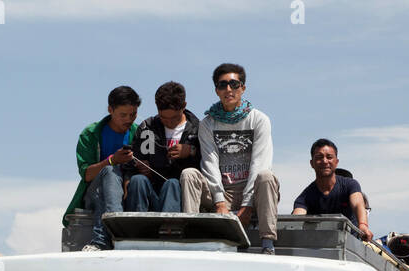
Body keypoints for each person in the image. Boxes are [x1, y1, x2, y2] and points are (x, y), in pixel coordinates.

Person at [181, 64, 280, 253]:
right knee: (189, 175)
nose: (229, 89)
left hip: (251, 191)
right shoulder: (208, 123)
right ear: (216, 90)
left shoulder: (259, 120)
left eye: (234, 84)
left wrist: (247, 204)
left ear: (243, 88)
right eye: (223, 85)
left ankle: (268, 243)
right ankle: (191, 240)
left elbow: (260, 162)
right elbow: (209, 162)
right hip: (221, 192)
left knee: (266, 176)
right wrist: (219, 202)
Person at [65, 86, 142, 251]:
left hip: (128, 190)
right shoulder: (90, 134)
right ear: (110, 110)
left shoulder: (140, 133)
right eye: (123, 115)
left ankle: (109, 240)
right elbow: (86, 175)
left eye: (133, 114)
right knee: (109, 172)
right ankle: (117, 230)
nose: (129, 119)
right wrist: (112, 160)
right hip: (93, 194)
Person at [124, 82, 200, 214]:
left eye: (174, 118)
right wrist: (140, 167)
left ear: (184, 106)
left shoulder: (199, 130)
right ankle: (137, 228)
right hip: (151, 195)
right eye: (164, 118)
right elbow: (130, 166)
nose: (169, 122)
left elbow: (209, 166)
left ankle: (169, 228)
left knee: (172, 184)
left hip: (181, 198)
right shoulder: (146, 128)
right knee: (138, 180)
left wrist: (192, 151)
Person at [291, 139, 372, 240]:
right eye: (319, 157)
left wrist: (363, 225)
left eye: (329, 157)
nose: (325, 161)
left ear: (336, 162)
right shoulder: (305, 197)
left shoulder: (350, 185)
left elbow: (357, 204)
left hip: (350, 247)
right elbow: (297, 218)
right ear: (312, 163)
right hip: (318, 249)